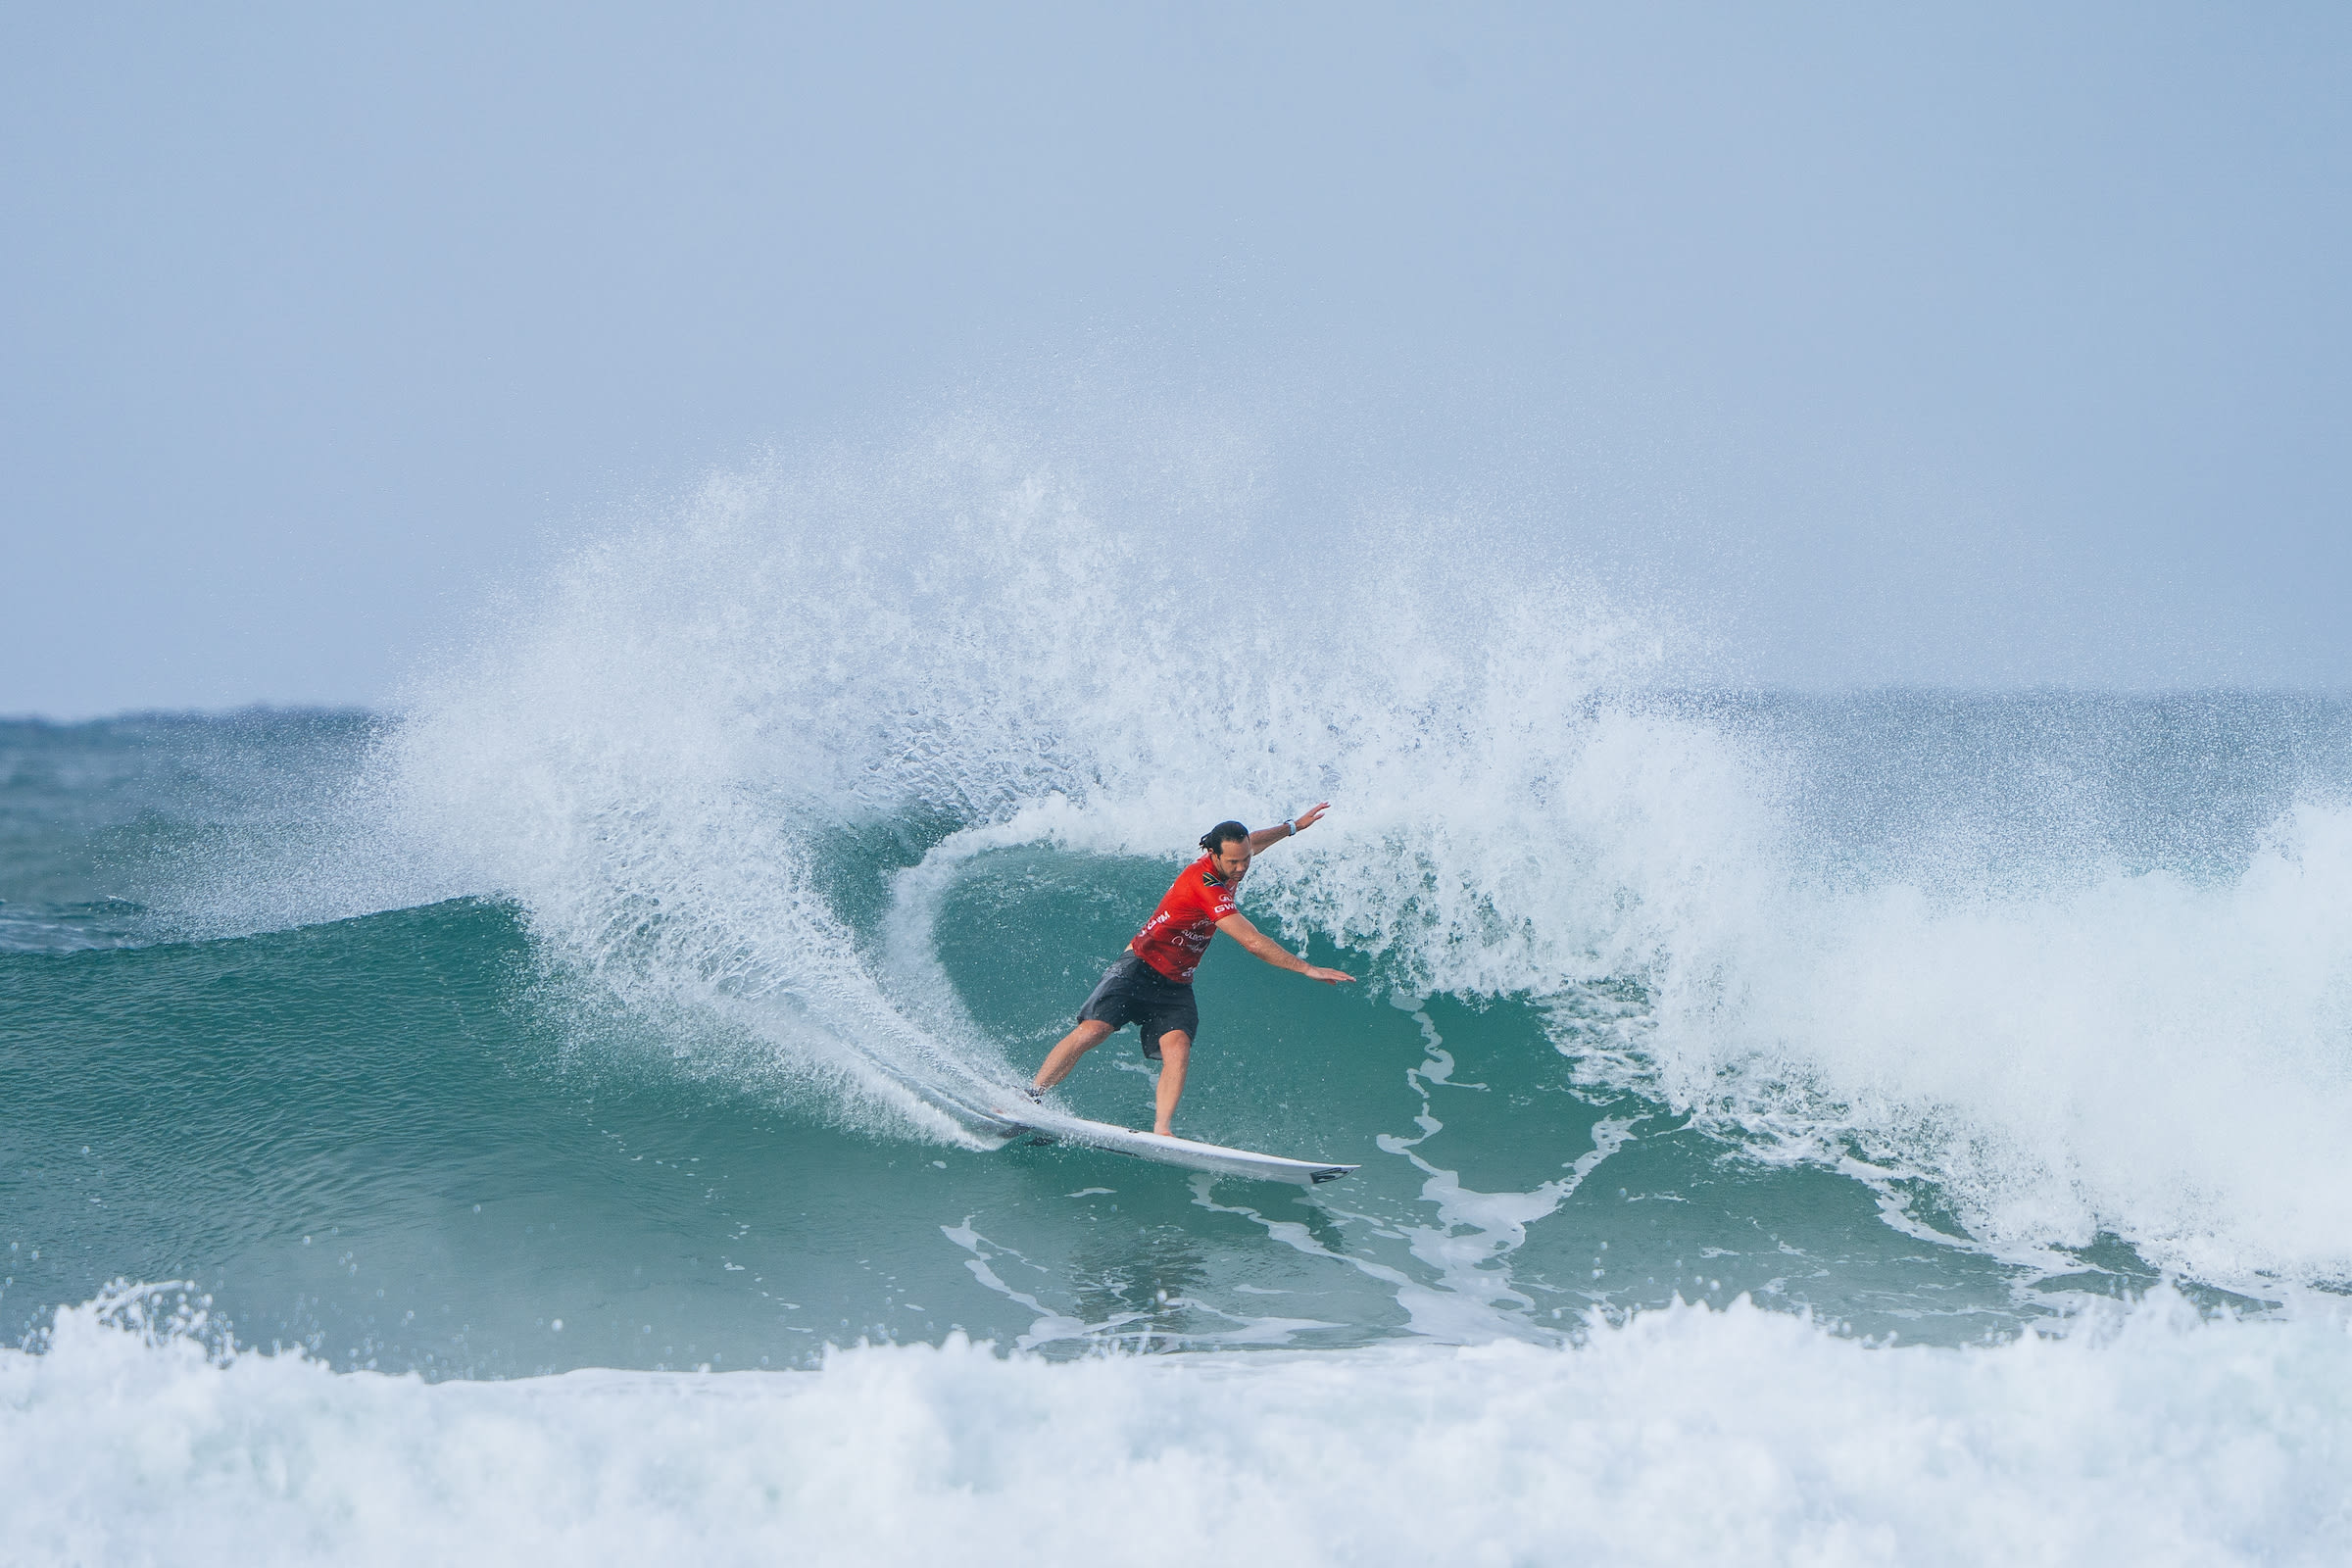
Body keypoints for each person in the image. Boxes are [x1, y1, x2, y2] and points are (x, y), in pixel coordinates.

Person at [1029, 805, 1354, 1135]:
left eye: (1246, 860)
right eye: (1234, 862)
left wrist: (1293, 827)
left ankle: (1162, 1130)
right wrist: (1307, 969)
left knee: (1178, 1048)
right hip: (1139, 966)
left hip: (1175, 982)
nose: (1242, 868)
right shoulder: (1204, 883)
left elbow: (1254, 841)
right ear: (1212, 854)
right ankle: (1032, 1097)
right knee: (1094, 1031)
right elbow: (1253, 942)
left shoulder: (1235, 858)